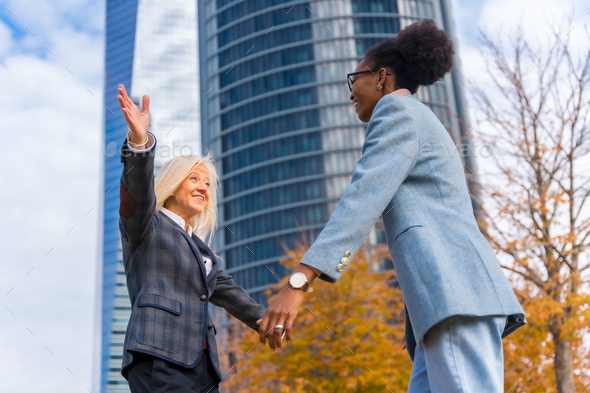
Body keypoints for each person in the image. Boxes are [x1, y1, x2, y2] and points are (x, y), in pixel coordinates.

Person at [257, 19, 526, 392]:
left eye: (355, 79)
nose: (351, 93)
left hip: (455, 300)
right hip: (445, 304)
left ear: (381, 77)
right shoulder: (419, 120)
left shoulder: (397, 113)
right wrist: (416, 312)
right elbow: (436, 219)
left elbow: (364, 196)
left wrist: (299, 282)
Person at [116, 84, 265, 392]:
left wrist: (268, 321)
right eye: (194, 178)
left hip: (204, 368)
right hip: (159, 355)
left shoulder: (202, 250)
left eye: (207, 183)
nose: (203, 188)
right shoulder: (147, 224)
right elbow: (138, 194)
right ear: (172, 184)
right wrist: (140, 142)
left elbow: (231, 293)